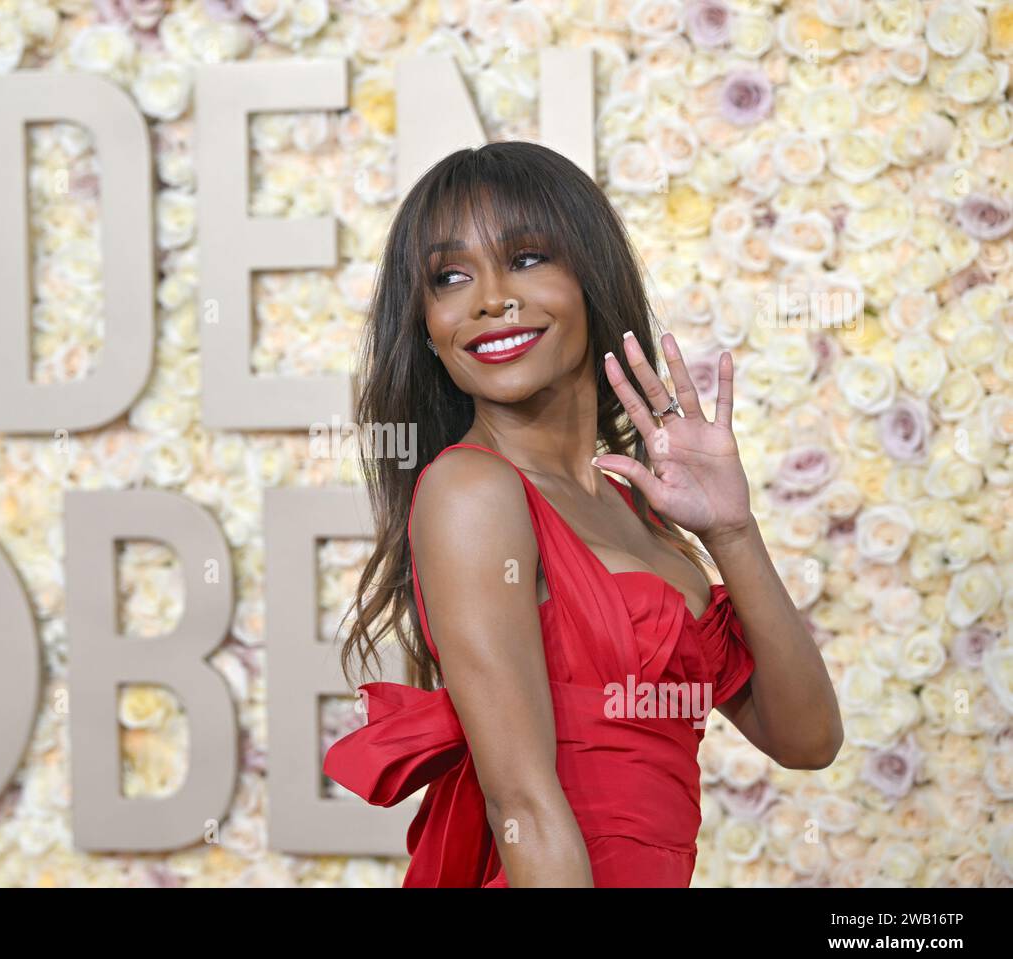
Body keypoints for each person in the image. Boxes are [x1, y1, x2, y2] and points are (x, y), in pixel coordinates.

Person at [323, 141, 842, 887]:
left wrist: (732, 532)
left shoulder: (641, 511)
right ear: (428, 327)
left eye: (527, 258)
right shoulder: (473, 491)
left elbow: (808, 736)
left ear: (590, 276)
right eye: (450, 277)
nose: (490, 298)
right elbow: (523, 807)